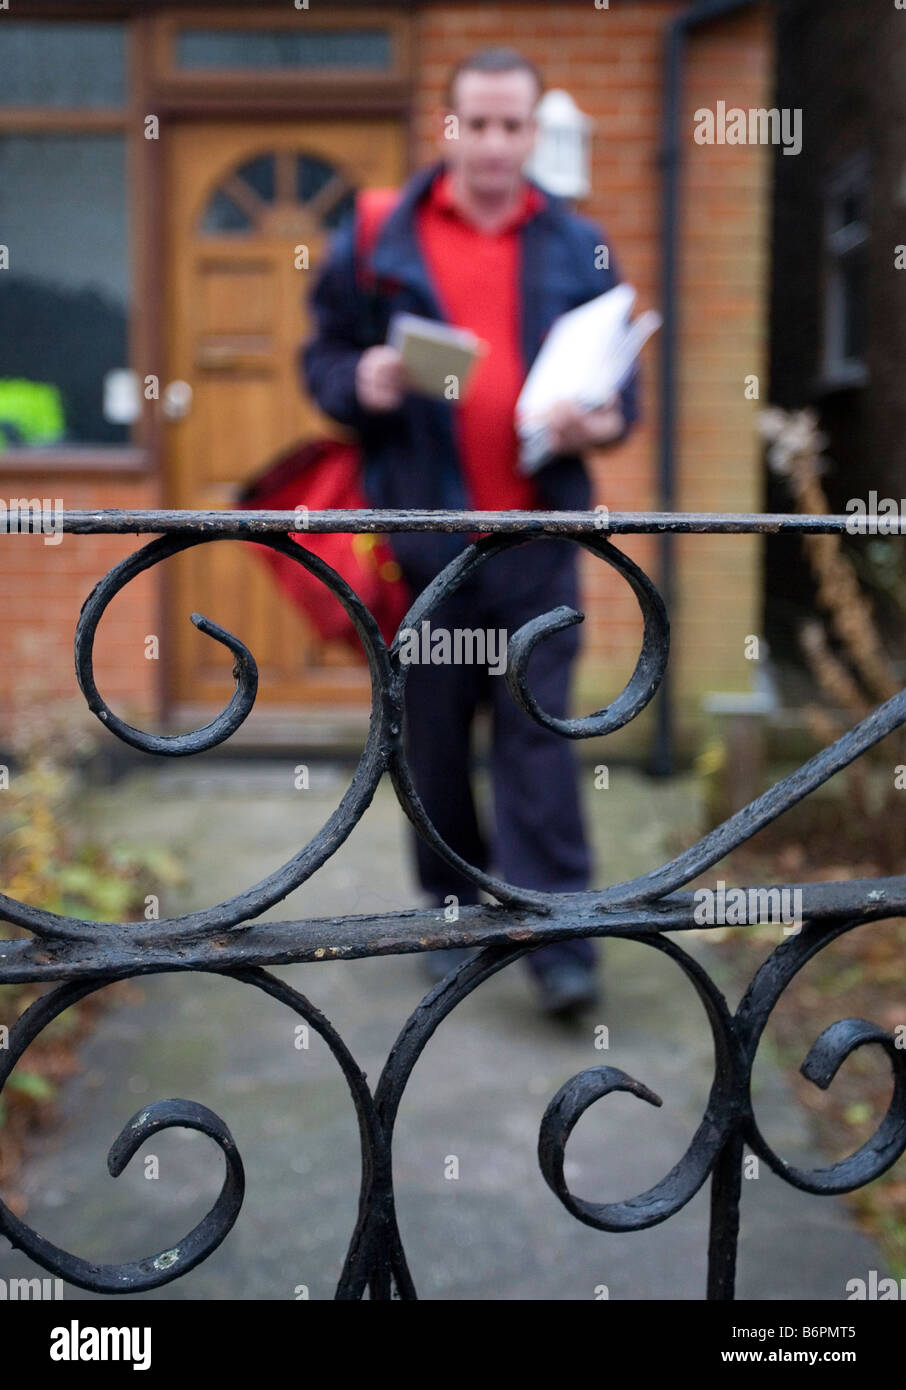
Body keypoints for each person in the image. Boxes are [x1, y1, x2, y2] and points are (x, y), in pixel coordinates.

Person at [302, 46, 640, 1020]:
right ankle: (453, 915)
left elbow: (623, 393)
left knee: (541, 735)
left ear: (534, 133)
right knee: (435, 740)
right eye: (477, 123)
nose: (494, 143)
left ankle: (555, 936)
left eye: (512, 126)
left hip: (536, 539)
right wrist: (356, 381)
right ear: (449, 128)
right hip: (422, 542)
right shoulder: (379, 237)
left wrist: (601, 422)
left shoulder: (578, 245)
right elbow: (319, 358)